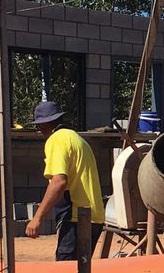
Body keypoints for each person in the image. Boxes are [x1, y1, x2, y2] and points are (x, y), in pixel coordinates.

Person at [25, 101, 105, 261]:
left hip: (75, 216)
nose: (39, 130)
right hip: (93, 216)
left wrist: (37, 217)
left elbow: (59, 181)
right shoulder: (77, 139)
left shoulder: (57, 140)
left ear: (44, 124)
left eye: (39, 126)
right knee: (81, 271)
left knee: (66, 270)